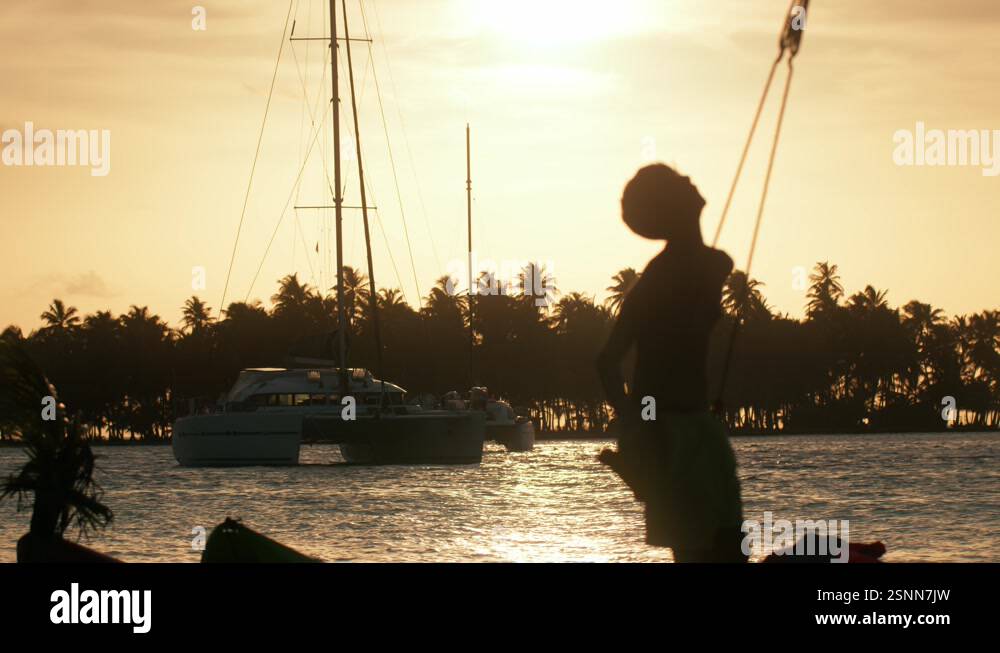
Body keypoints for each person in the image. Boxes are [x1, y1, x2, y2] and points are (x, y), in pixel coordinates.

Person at [596, 163, 746, 563]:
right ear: (671, 207)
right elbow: (607, 361)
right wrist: (637, 425)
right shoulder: (661, 279)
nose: (689, 178)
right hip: (672, 434)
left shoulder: (708, 265)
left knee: (728, 548)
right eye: (677, 181)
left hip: (698, 428)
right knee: (709, 553)